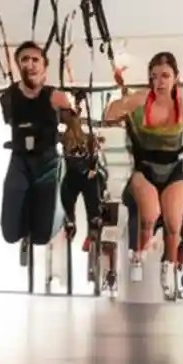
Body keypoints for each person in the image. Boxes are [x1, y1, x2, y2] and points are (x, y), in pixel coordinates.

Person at [104, 51, 183, 296]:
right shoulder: (141, 101)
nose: (159, 81)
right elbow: (109, 115)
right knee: (150, 216)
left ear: (175, 78)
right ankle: (138, 252)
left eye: (165, 76)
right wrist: (123, 102)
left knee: (174, 225)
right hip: (144, 170)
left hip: (172, 170)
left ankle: (168, 267)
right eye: (155, 76)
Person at [0, 41, 78, 265]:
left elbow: (74, 127)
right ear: (18, 65)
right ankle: (23, 232)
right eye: (24, 60)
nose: (30, 64)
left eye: (35, 60)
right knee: (9, 233)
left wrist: (72, 125)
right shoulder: (9, 97)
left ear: (44, 67)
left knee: (42, 236)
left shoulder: (56, 97)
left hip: (47, 162)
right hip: (20, 161)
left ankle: (59, 220)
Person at [59, 95, 106, 252]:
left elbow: (95, 151)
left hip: (87, 175)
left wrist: (94, 160)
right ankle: (71, 222)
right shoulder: (65, 137)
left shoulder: (88, 137)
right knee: (67, 195)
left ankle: (91, 226)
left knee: (93, 198)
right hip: (73, 176)